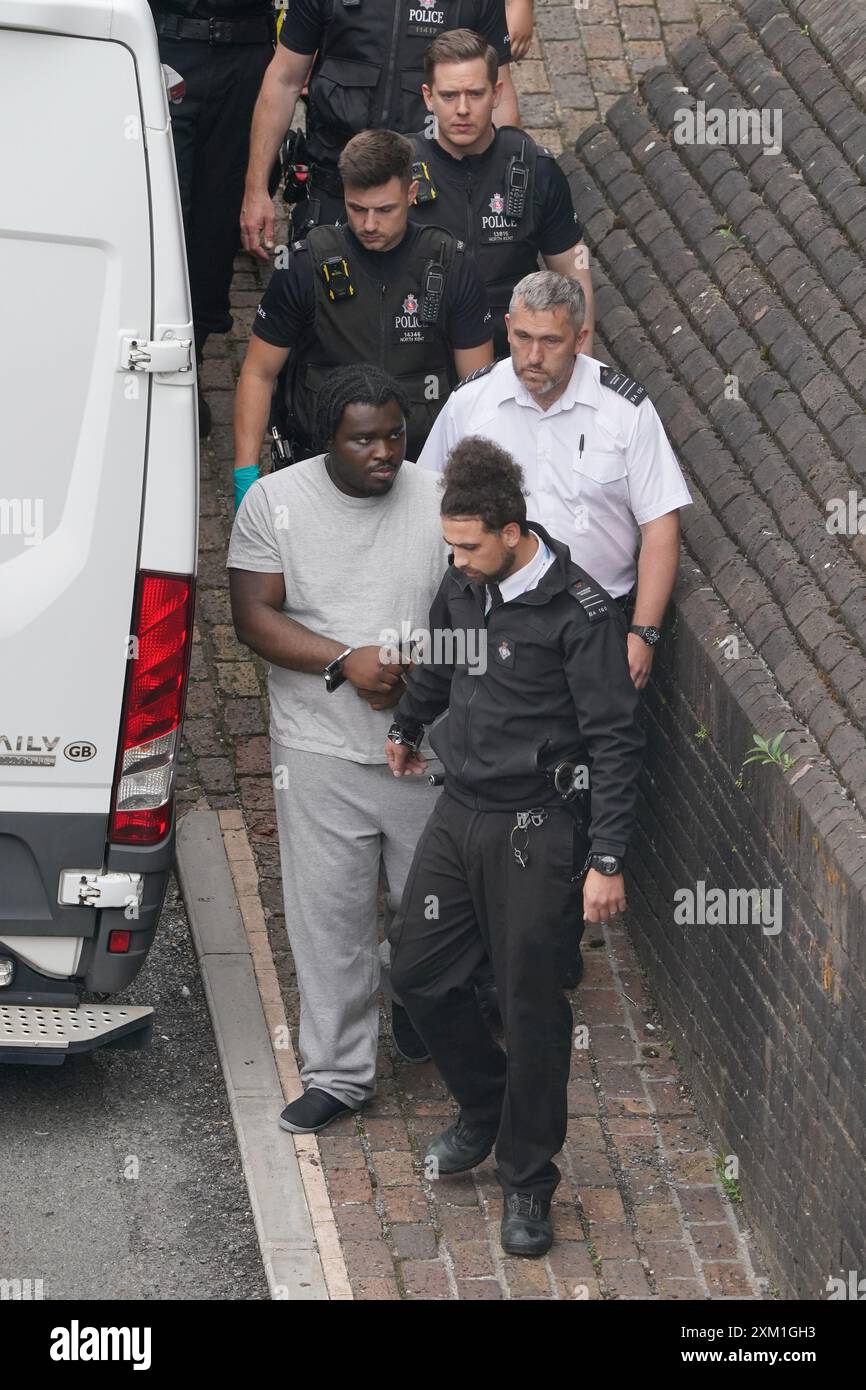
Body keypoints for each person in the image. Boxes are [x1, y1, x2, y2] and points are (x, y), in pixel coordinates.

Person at [385, 437, 645, 1256]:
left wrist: (606, 859)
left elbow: (616, 740)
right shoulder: (466, 585)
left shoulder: (580, 612)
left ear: (511, 529)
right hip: (460, 809)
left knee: (532, 1006)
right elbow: (442, 659)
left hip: (538, 827)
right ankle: (485, 1105)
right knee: (417, 972)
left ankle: (528, 1182)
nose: (456, 561)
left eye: (468, 546)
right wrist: (408, 721)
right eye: (450, 546)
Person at [418, 271, 690, 995]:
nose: (533, 356)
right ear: (507, 329)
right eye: (521, 338)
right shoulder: (472, 405)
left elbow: (660, 526)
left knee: (580, 780)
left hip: (595, 633)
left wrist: (645, 635)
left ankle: (551, 941)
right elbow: (428, 512)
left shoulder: (623, 413)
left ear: (582, 339)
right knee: (503, 776)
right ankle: (488, 947)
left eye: (550, 342)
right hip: (499, 627)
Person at [227, 365, 450, 1135]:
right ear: (327, 439)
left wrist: (422, 677)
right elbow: (253, 615)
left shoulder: (442, 496)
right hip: (318, 750)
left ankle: (417, 1002)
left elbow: (481, 605)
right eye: (365, 439)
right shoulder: (274, 504)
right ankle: (339, 1075)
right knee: (330, 922)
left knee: (431, 914)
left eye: (394, 433)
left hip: (422, 750)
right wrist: (343, 660)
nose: (385, 451)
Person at [233, 129, 493, 506]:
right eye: (357, 209)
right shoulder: (305, 267)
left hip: (422, 471)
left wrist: (472, 482)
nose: (370, 225)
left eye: (384, 210)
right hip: (320, 473)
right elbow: (259, 372)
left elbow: (476, 390)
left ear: (412, 192)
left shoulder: (451, 265)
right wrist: (246, 477)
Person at [241, 3, 518, 251]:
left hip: (432, 195)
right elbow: (283, 81)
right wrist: (255, 190)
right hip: (332, 188)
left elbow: (498, 98)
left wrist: (503, 192)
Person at [409, 28, 593, 356]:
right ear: (428, 96)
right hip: (424, 356)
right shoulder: (397, 170)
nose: (462, 109)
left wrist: (582, 368)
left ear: (496, 94)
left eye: (475, 94)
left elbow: (574, 272)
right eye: (449, 95)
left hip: (516, 359)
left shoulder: (537, 169)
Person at [147, 0, 275, 437]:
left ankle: (190, 361)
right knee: (160, 209)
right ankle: (150, 348)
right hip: (166, 43)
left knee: (217, 224)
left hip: (246, 51)